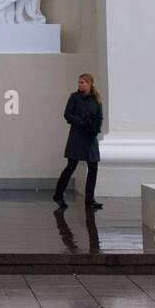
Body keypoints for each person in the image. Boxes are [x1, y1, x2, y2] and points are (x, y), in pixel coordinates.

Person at [53, 73, 104, 210]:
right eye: (79, 82)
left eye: (82, 82)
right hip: (77, 136)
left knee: (93, 168)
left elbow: (100, 117)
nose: (80, 84)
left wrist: (95, 128)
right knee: (71, 166)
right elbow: (67, 115)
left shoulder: (96, 99)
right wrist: (80, 122)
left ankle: (90, 199)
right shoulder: (74, 97)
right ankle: (58, 195)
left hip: (90, 137)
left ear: (90, 83)